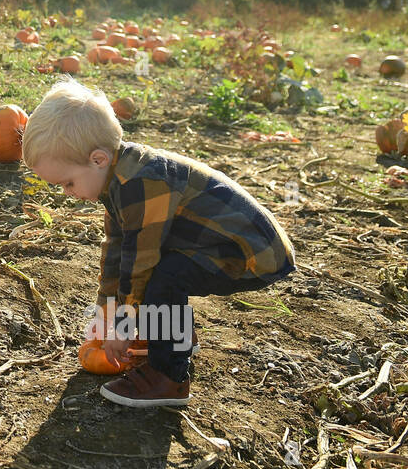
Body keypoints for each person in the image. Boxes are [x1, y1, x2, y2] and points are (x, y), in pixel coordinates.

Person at [22, 76, 296, 408]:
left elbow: (139, 263)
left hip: (253, 254)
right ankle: (171, 337)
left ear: (97, 159)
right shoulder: (117, 181)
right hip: (217, 245)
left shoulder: (142, 182)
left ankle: (168, 377)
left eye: (68, 183)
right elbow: (117, 253)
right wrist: (107, 313)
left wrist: (123, 328)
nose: (69, 194)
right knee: (157, 274)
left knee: (163, 275)